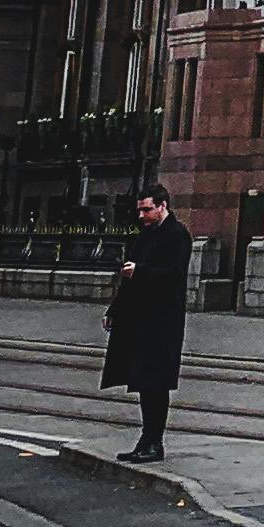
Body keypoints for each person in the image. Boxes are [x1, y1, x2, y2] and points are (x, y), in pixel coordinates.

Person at [101, 184, 193, 462]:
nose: (142, 215)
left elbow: (174, 275)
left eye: (147, 209)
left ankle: (155, 441)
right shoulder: (144, 235)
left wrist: (139, 271)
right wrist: (114, 309)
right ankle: (146, 439)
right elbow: (128, 279)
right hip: (140, 318)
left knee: (157, 382)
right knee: (143, 381)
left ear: (163, 205)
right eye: (140, 209)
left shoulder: (178, 235)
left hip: (163, 320)